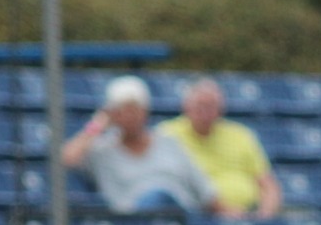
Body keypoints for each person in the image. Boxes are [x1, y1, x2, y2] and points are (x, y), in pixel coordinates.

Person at [59, 75, 221, 215]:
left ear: (145, 111)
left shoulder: (169, 142)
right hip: (136, 224)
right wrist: (96, 125)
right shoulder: (101, 150)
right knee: (156, 197)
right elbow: (66, 159)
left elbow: (205, 191)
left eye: (135, 110)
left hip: (182, 220)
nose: (130, 117)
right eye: (123, 110)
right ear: (112, 113)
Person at [158, 78, 282, 220]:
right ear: (186, 106)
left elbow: (269, 185)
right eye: (200, 105)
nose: (205, 112)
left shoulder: (241, 135)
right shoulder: (167, 135)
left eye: (211, 106)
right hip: (192, 217)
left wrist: (264, 216)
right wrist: (223, 210)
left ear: (221, 109)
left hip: (246, 213)